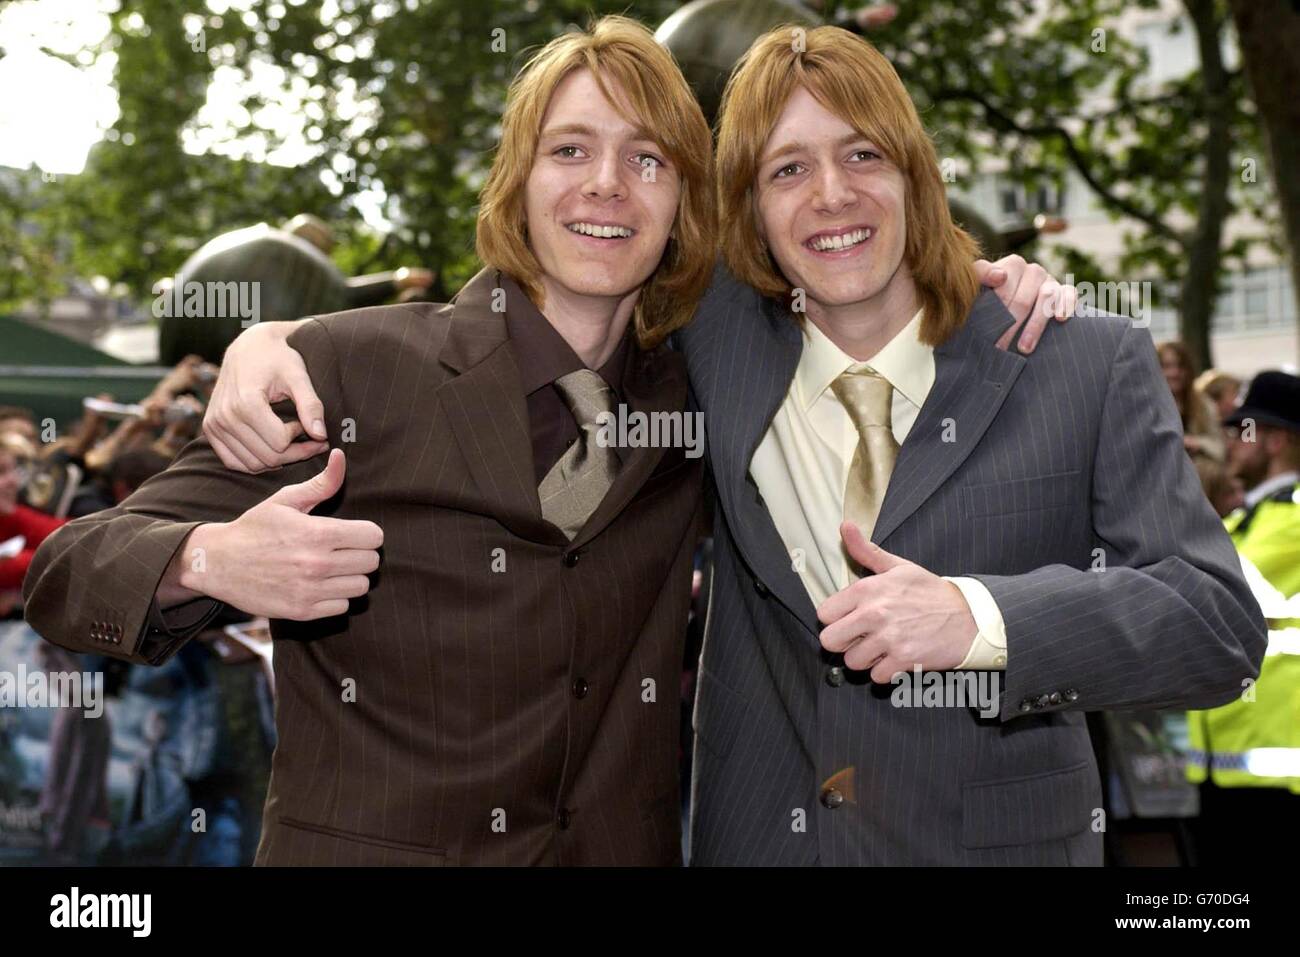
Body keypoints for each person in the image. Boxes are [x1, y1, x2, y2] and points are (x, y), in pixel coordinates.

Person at [112, 20, 1077, 866]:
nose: (608, 186)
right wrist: (211, 554)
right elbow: (74, 570)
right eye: (570, 151)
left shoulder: (701, 394)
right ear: (519, 182)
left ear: (680, 207)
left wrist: (985, 283)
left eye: (648, 159)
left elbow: (854, 286)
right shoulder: (355, 367)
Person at [1186, 370, 1300, 865]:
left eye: (1240, 431)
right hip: (1224, 761)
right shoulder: (1240, 520)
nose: (1229, 443)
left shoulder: (1292, 517)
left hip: (1280, 774)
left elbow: (1214, 585)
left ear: (1274, 440)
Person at [1157, 340, 1225, 463]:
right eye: (1167, 366)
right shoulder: (1148, 406)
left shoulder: (1203, 404)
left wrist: (1196, 443)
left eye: (1180, 366)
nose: (1175, 373)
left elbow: (1219, 447)